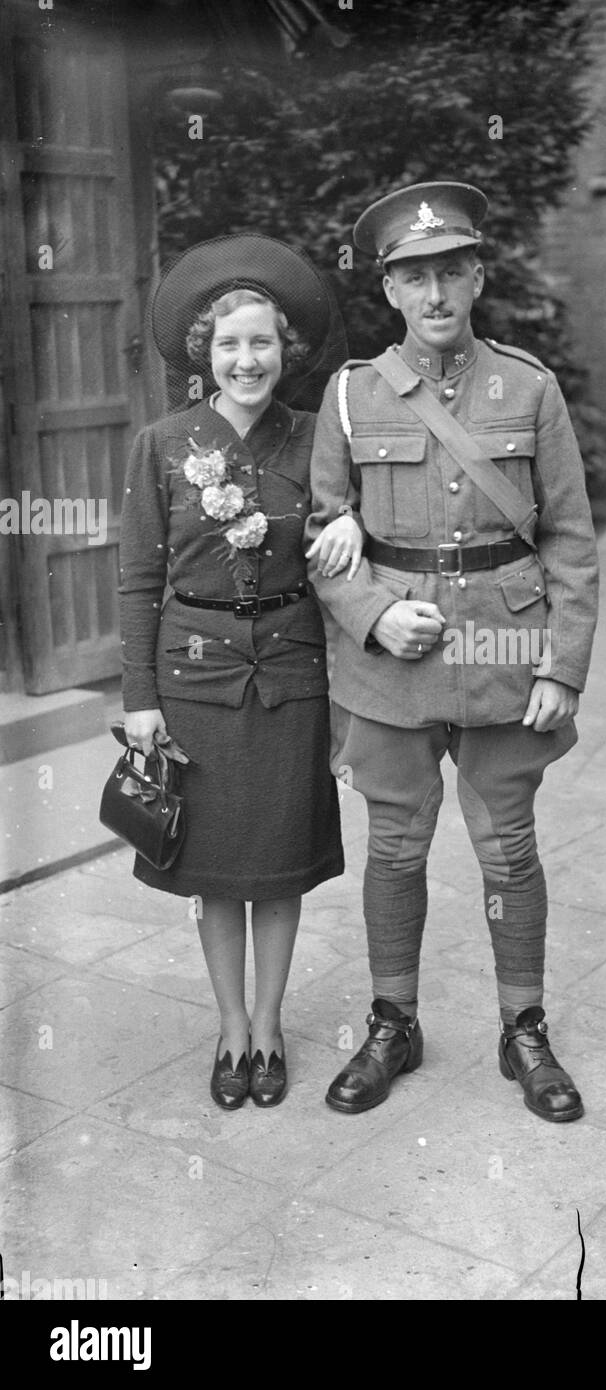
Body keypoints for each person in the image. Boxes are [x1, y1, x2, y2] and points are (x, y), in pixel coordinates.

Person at [305, 182, 599, 1123]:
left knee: (508, 850)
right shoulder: (351, 396)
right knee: (394, 849)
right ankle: (394, 1022)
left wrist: (562, 664)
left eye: (449, 273)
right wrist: (371, 615)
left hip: (509, 648)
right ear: (388, 289)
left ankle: (524, 1030)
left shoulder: (531, 388)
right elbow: (321, 535)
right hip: (390, 661)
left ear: (477, 277)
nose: (434, 295)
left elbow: (571, 540)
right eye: (413, 277)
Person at [119, 234, 362, 1110]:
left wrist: (354, 528)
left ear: (284, 350)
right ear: (203, 354)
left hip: (294, 678)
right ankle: (229, 1029)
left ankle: (269, 1025)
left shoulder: (318, 438)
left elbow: (347, 542)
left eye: (261, 342)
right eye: (229, 344)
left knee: (280, 863)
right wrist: (139, 701)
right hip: (195, 684)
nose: (247, 359)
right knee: (215, 868)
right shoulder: (161, 444)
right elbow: (140, 578)